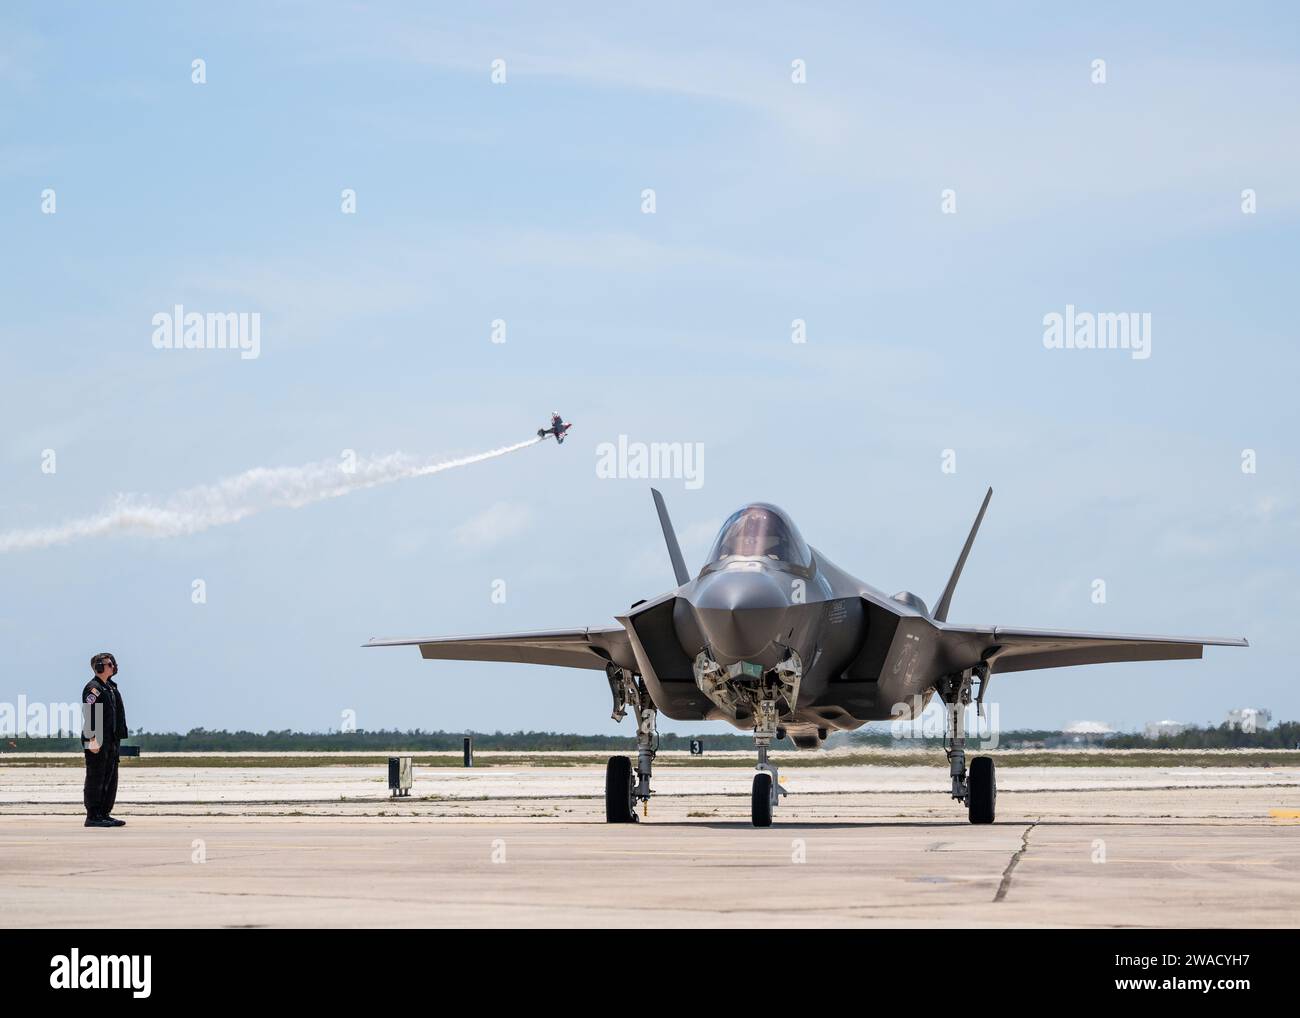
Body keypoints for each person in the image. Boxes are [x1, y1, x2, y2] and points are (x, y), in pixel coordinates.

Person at [81, 652, 127, 828]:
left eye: (112, 664)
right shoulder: (93, 689)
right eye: (108, 664)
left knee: (110, 778)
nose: (112, 667)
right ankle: (93, 815)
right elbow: (90, 713)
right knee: (96, 777)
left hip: (111, 741)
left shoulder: (110, 688)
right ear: (99, 667)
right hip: (97, 740)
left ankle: (104, 813)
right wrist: (92, 738)